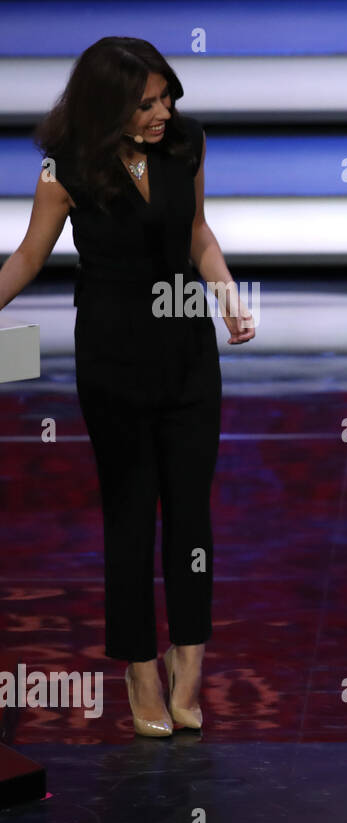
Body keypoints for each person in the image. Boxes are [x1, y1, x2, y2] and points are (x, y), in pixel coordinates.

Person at [0, 37, 255, 737]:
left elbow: (198, 232)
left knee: (191, 518)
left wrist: (228, 294)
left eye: (167, 96)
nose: (163, 112)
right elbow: (27, 256)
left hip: (187, 354)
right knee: (131, 515)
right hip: (112, 358)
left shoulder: (187, 143)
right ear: (109, 105)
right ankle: (139, 665)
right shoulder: (70, 166)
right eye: (146, 103)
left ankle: (190, 661)